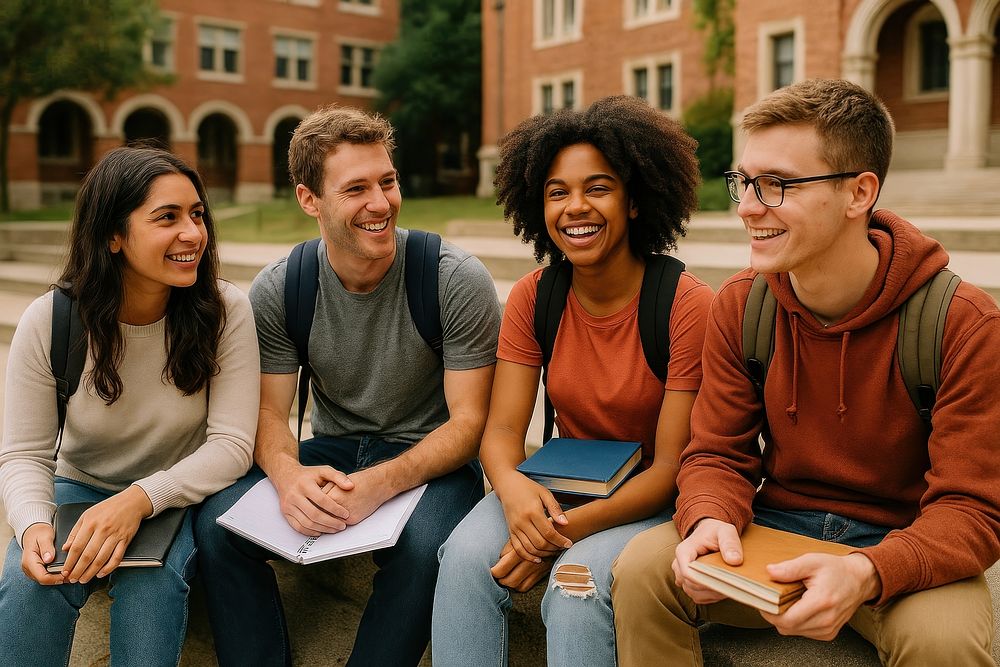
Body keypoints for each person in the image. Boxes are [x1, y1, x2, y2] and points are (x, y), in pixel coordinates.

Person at [611, 79, 1000, 665]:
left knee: (944, 643)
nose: (746, 206)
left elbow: (973, 509)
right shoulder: (742, 305)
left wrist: (868, 572)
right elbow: (717, 453)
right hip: (773, 525)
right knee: (642, 570)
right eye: (744, 182)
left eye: (778, 185)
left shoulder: (963, 322)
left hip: (900, 541)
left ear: (858, 192)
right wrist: (710, 515)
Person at [193, 105, 502, 667]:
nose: (381, 203)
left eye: (387, 182)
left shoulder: (453, 278)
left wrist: (378, 485)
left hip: (431, 460)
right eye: (356, 189)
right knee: (215, 526)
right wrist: (288, 479)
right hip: (332, 450)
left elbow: (468, 425)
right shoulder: (283, 286)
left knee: (426, 549)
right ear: (309, 199)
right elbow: (267, 414)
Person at [432, 95, 713, 666]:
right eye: (557, 192)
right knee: (462, 559)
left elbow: (667, 471)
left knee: (575, 585)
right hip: (559, 483)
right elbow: (502, 432)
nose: (575, 207)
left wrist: (557, 535)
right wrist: (515, 498)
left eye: (598, 188)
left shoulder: (686, 305)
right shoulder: (536, 297)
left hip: (648, 502)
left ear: (634, 201)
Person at [0, 145, 259, 666]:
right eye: (167, 218)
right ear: (113, 236)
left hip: (174, 494)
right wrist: (33, 526)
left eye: (197, 214)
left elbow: (232, 446)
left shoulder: (225, 310)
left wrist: (139, 499)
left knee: (152, 593)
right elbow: (24, 453)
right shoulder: (51, 320)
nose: (193, 234)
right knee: (29, 585)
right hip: (80, 486)